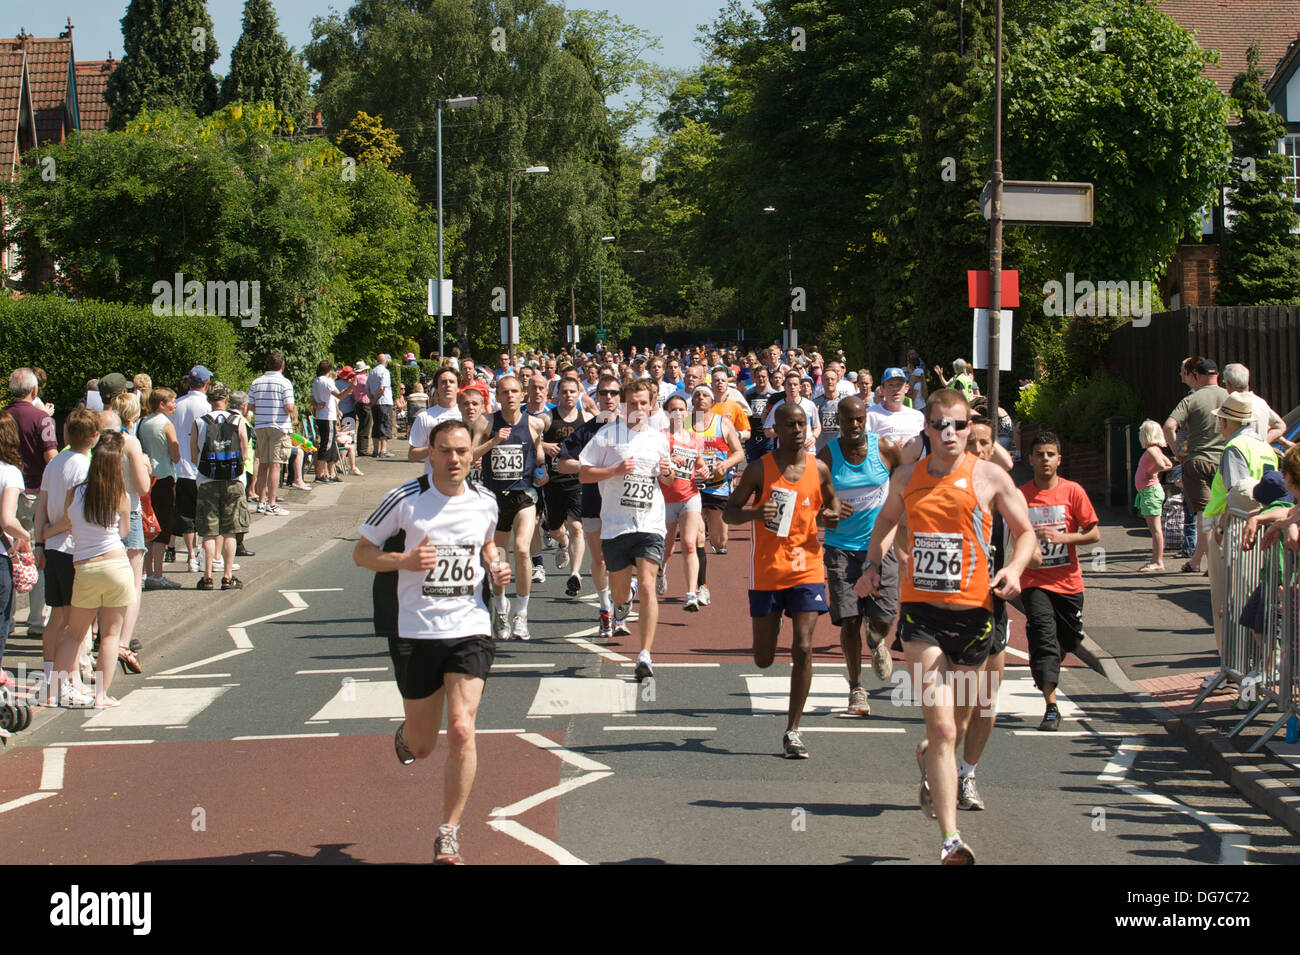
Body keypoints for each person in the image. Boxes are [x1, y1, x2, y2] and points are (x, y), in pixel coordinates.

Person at [858, 388, 1036, 864]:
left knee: (958, 724)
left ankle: (929, 765)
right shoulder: (906, 477)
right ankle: (950, 839)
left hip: (977, 615)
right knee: (940, 728)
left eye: (959, 425)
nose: (951, 433)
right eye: (941, 425)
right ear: (927, 430)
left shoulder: (990, 477)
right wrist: (873, 563)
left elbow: (1026, 533)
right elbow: (886, 522)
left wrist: (1015, 570)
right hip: (922, 617)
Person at [354, 418, 511, 864]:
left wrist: (496, 569)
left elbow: (485, 549)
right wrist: (404, 559)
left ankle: (449, 832)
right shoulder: (404, 499)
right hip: (417, 631)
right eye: (446, 450)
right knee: (424, 746)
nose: (455, 459)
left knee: (462, 728)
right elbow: (361, 552)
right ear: (431, 452)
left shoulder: (485, 501)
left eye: (462, 450)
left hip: (470, 626)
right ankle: (407, 737)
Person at [724, 401, 841, 758]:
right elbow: (730, 512)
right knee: (763, 658)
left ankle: (793, 730)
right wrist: (757, 512)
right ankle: (767, 644)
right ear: (776, 429)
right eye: (790, 425)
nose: (798, 430)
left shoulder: (819, 469)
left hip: (807, 568)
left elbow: (831, 507)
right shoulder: (760, 469)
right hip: (768, 571)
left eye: (802, 424)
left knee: (804, 647)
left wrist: (832, 517)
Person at [578, 378, 672, 679]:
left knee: (647, 584)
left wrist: (668, 475)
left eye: (644, 403)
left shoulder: (659, 439)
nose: (638, 408)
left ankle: (645, 655)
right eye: (632, 403)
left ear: (652, 404)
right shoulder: (608, 436)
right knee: (620, 593)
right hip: (615, 525)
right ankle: (621, 602)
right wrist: (615, 470)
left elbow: (666, 479)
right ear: (624, 405)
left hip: (650, 523)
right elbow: (583, 474)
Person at [818, 395, 904, 716]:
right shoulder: (827, 456)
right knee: (850, 619)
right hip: (841, 547)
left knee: (882, 618)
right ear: (836, 421)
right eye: (847, 420)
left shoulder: (884, 449)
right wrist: (829, 511)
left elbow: (904, 484)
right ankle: (856, 688)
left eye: (859, 420)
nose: (853, 426)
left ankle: (877, 639)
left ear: (865, 419)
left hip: (879, 546)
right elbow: (811, 507)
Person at [1018, 431, 1101, 731]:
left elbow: (1094, 532)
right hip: (1034, 581)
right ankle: (1051, 705)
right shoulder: (1021, 495)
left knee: (1069, 640)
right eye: (1039, 454)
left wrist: (1064, 537)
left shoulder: (1072, 491)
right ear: (1030, 459)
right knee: (1043, 637)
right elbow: (1013, 533)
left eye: (1050, 454)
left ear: (1059, 459)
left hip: (1068, 583)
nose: (1044, 459)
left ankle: (1051, 661)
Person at [51, 430, 136, 708]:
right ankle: (101, 696)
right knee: (111, 635)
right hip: (116, 564)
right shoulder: (120, 495)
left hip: (85, 567)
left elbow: (69, 522)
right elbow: (123, 532)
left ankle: (56, 691)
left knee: (74, 633)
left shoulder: (76, 493)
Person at [1202, 392, 1279, 667]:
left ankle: (1230, 668)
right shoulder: (1265, 447)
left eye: (1220, 420)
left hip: (1233, 528)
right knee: (1251, 600)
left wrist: (1223, 523)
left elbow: (1237, 490)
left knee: (1227, 602)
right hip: (1263, 525)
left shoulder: (1234, 447)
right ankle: (1257, 668)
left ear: (1226, 421)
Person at [32, 408, 99, 704]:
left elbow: (41, 505)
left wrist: (39, 540)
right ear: (95, 436)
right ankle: (68, 682)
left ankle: (52, 678)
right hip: (72, 547)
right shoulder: (84, 466)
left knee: (57, 616)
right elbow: (75, 514)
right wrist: (50, 532)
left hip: (52, 548)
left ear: (66, 434)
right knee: (74, 625)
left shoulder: (55, 462)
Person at [476, 376, 547, 641]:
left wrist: (543, 473)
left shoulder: (535, 423)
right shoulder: (485, 422)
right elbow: (469, 454)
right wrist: (493, 441)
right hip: (494, 498)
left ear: (523, 395)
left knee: (521, 549)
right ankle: (501, 606)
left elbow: (539, 456)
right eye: (504, 392)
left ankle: (522, 613)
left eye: (515, 391)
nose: (510, 396)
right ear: (497, 395)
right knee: (497, 559)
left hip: (524, 495)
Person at [557, 375, 623, 638]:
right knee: (600, 559)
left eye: (614, 393)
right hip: (594, 502)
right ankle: (606, 609)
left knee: (625, 560)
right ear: (597, 396)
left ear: (621, 397)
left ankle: (622, 602)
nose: (608, 398)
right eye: (603, 393)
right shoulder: (587, 429)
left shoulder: (632, 427)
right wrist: (598, 469)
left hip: (624, 505)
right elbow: (563, 463)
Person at [5, 367, 58, 637]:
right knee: (36, 554)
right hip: (35, 492)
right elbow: (51, 456)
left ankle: (8, 618)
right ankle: (37, 621)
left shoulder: (3, 416)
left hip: (6, 491)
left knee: (8, 556)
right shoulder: (41, 418)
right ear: (34, 390)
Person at [1162, 358, 1227, 573]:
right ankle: (1213, 562)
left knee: (1203, 513)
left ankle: (1209, 564)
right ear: (1218, 375)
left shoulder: (1192, 399)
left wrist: (1177, 451)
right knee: (1224, 512)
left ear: (1197, 376)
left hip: (1197, 461)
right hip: (1225, 462)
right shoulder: (1230, 398)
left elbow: (1169, 426)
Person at [191, 383, 251, 591]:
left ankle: (207, 577)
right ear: (226, 398)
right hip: (234, 480)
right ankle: (227, 577)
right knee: (230, 531)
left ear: (209, 399)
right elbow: (244, 452)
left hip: (207, 480)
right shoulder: (237, 420)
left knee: (208, 531)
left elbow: (193, 455)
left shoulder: (199, 422)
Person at [539, 377, 590, 596]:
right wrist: (544, 444)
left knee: (577, 526)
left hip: (577, 481)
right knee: (554, 528)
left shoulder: (587, 418)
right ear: (557, 395)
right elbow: (526, 435)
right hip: (553, 481)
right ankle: (562, 542)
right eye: (565, 392)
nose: (569, 395)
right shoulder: (548, 418)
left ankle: (574, 574)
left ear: (579, 394)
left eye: (572, 391)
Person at [659, 393, 708, 610]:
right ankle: (661, 570)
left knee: (689, 543)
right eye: (673, 409)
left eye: (681, 409)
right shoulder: (660, 437)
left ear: (687, 413)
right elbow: (653, 460)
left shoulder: (695, 439)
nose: (678, 413)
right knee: (667, 548)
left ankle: (691, 594)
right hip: (665, 499)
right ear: (666, 412)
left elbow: (699, 464)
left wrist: (704, 469)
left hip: (690, 496)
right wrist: (668, 461)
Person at [689, 384, 745, 570]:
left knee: (720, 541)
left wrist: (725, 464)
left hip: (717, 485)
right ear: (692, 400)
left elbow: (739, 453)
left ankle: (709, 529)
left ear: (712, 401)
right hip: (691, 487)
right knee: (695, 537)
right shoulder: (683, 423)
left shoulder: (723, 423)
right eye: (697, 395)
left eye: (705, 395)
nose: (701, 398)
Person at [0, 412, 33, 683]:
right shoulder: (10, 473)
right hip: (0, 555)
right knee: (2, 619)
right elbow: (7, 519)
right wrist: (24, 536)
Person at [172, 367, 212, 573]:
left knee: (187, 516)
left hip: (180, 469)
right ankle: (207, 556)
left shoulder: (176, 405)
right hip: (201, 469)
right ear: (206, 384)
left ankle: (191, 556)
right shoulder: (206, 406)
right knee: (206, 516)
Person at [248, 352, 297, 516]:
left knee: (263, 464)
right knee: (276, 465)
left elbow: (250, 406)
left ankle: (261, 502)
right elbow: (289, 407)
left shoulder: (256, 382)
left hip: (261, 425)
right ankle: (272, 503)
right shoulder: (285, 383)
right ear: (282, 366)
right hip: (279, 426)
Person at [1134, 420, 1173, 572]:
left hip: (1150, 492)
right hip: (1150, 491)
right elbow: (1169, 464)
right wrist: (1154, 470)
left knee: (1155, 529)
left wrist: (1150, 472)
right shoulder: (1156, 450)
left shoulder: (1151, 450)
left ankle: (1157, 561)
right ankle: (1156, 559)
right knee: (1155, 528)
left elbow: (1163, 466)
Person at [409, 367, 464, 467]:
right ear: (437, 388)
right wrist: (436, 448)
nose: (447, 385)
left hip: (462, 480)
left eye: (451, 382)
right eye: (443, 382)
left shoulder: (467, 415)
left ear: (458, 387)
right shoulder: (424, 417)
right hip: (434, 480)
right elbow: (412, 455)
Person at [866, 367, 926, 452]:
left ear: (906, 388)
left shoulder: (918, 416)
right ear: (882, 389)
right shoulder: (870, 415)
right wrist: (891, 448)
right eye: (890, 385)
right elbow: (865, 446)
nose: (895, 389)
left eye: (899, 385)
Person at [312, 361, 353, 484]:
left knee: (330, 444)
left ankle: (330, 473)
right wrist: (351, 388)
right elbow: (339, 396)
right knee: (327, 444)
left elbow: (312, 398)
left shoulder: (317, 381)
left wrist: (316, 405)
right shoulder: (327, 381)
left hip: (322, 415)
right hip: (327, 416)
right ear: (329, 370)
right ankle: (320, 474)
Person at [763, 370, 819, 451]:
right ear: (784, 387)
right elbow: (767, 432)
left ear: (800, 387)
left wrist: (814, 437)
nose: (792, 387)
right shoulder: (778, 407)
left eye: (795, 385)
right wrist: (784, 431)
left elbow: (817, 426)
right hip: (786, 452)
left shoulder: (810, 405)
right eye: (789, 384)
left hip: (807, 451)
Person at [369, 354, 396, 458]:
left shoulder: (372, 372)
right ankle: (383, 450)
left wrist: (372, 400)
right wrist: (375, 399)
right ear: (385, 361)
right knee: (385, 424)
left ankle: (375, 450)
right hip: (384, 401)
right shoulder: (385, 372)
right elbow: (382, 388)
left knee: (376, 425)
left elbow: (367, 388)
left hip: (375, 403)